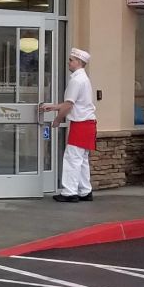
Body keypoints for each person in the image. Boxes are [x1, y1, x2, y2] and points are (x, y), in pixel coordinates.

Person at [42, 47, 98, 203]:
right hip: (88, 123)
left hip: (80, 124)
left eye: (71, 60)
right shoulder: (84, 79)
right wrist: (54, 106)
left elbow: (69, 105)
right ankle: (85, 190)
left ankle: (69, 192)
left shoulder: (76, 80)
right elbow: (74, 103)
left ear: (79, 62)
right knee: (82, 159)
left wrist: (58, 119)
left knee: (72, 159)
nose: (69, 63)